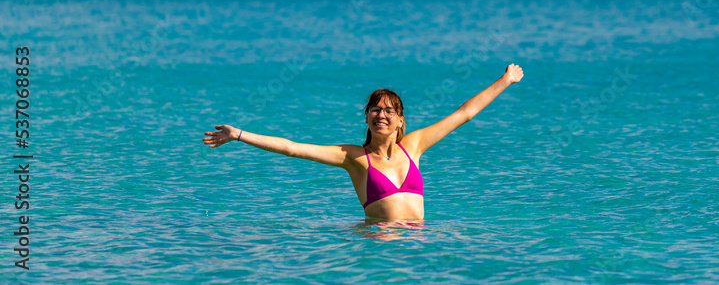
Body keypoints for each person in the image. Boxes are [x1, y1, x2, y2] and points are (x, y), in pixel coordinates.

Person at [202, 64, 524, 220]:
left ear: (401, 120)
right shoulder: (354, 158)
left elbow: (464, 113)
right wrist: (240, 135)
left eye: (389, 110)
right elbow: (292, 147)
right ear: (367, 117)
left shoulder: (414, 146)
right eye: (374, 109)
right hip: (377, 253)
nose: (380, 114)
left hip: (421, 249)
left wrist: (505, 80)